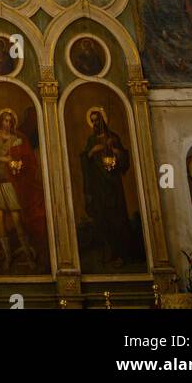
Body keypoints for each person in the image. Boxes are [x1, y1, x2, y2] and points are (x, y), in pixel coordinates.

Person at [0, 107, 45, 270]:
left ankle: (28, 257)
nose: (7, 123)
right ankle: (7, 257)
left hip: (8, 182)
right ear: (1, 121)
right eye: (5, 120)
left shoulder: (16, 140)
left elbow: (9, 159)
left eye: (10, 121)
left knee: (16, 220)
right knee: (0, 220)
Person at [80, 107, 136, 269]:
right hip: (98, 185)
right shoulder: (91, 140)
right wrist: (92, 151)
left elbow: (124, 159)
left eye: (98, 119)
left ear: (103, 120)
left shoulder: (113, 137)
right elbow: (85, 161)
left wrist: (115, 150)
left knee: (116, 217)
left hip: (113, 184)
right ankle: (111, 252)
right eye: (93, 120)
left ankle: (123, 254)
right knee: (103, 219)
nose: (96, 123)